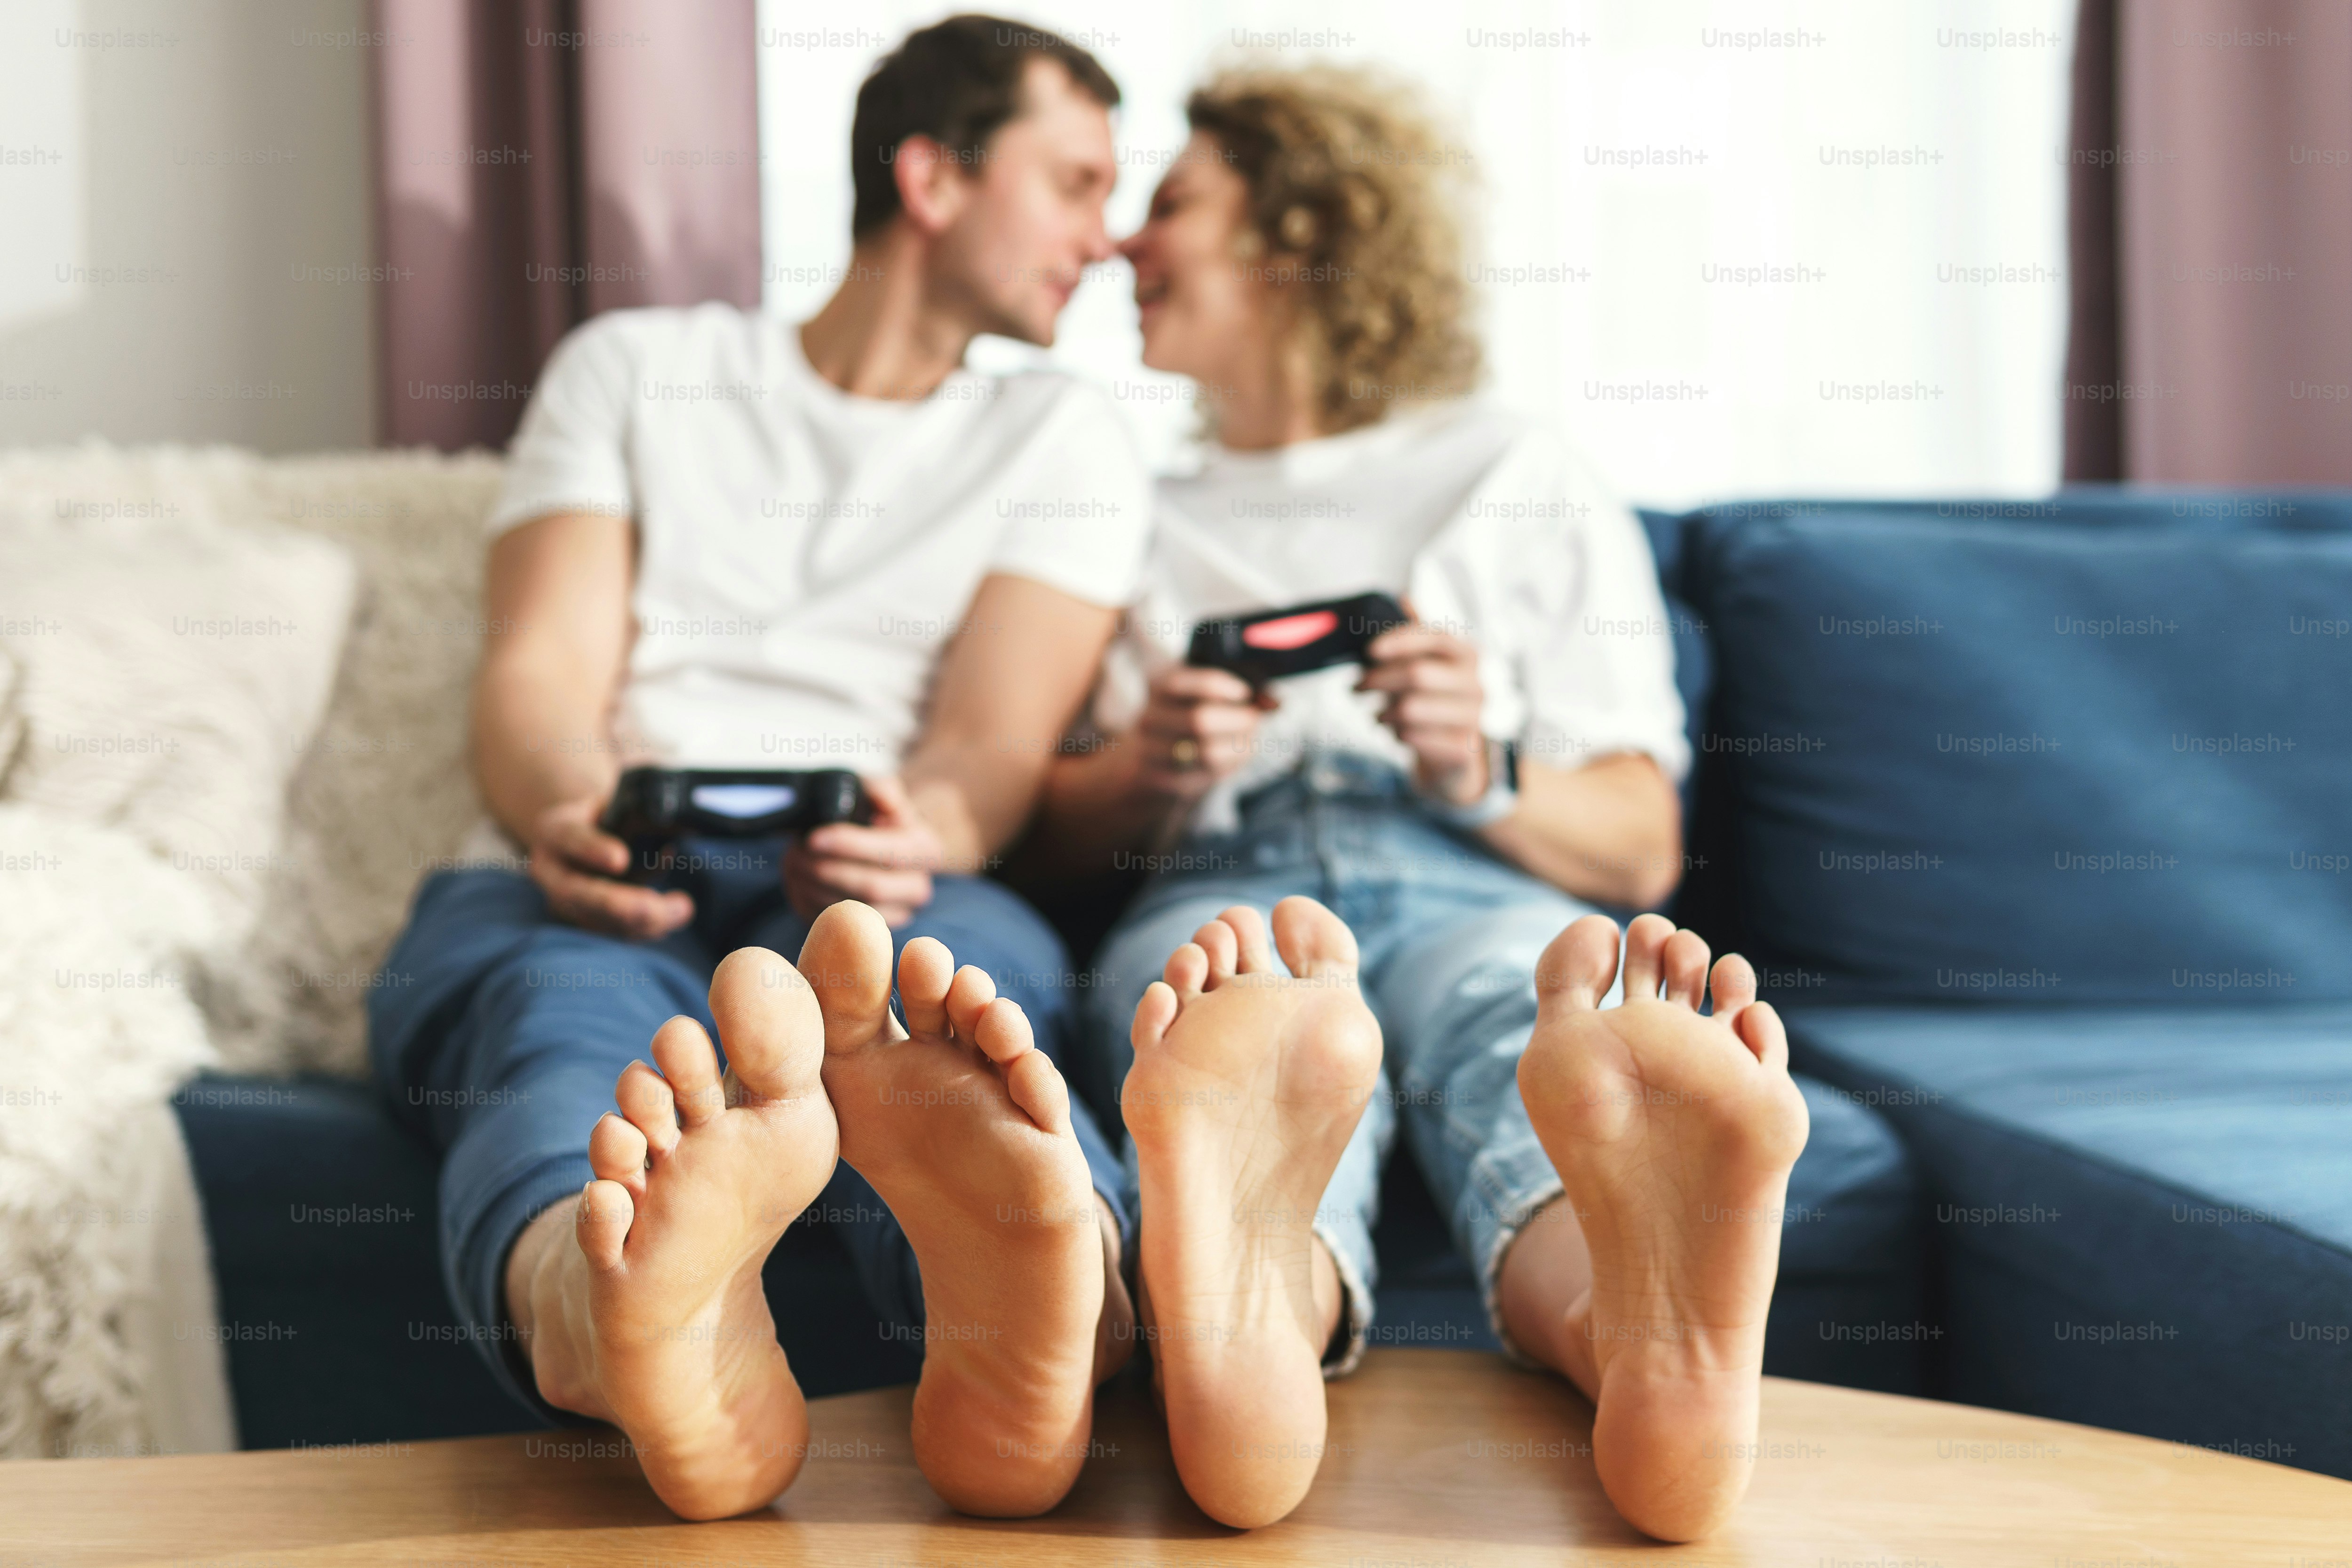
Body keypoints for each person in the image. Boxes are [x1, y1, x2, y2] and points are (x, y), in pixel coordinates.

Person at [369, 16, 1155, 1521]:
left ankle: (1064, 1305)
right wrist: (561, 805)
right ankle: (606, 1318)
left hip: (880, 874)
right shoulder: (633, 369)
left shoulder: (1067, 437)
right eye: (1073, 184)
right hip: (606, 856)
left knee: (932, 1000)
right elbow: (537, 671)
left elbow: (989, 750)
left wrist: (931, 824)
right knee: (556, 1008)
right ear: (931, 177)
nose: (1104, 239)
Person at [1030, 65, 1811, 1540]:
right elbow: (1050, 842)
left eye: (1172, 206)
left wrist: (1485, 767)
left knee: (1521, 1030)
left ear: (1301, 231)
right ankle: (1264, 1306)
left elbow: (1640, 841)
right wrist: (1147, 767)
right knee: (1245, 1040)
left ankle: (1639, 1333)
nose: (1126, 249)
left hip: (1467, 862)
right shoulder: (1126, 505)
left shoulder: (1513, 467)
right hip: (1225, 872)